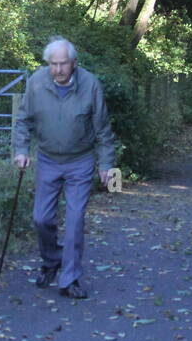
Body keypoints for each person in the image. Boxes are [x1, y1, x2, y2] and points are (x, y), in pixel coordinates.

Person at [12, 37, 116, 299]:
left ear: (74, 63)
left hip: (80, 162)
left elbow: (103, 130)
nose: (58, 70)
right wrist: (22, 150)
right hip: (48, 159)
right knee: (41, 218)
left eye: (63, 64)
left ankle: (70, 279)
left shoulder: (90, 85)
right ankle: (52, 260)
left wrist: (106, 165)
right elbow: (23, 120)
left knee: (74, 221)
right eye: (53, 64)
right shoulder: (36, 83)